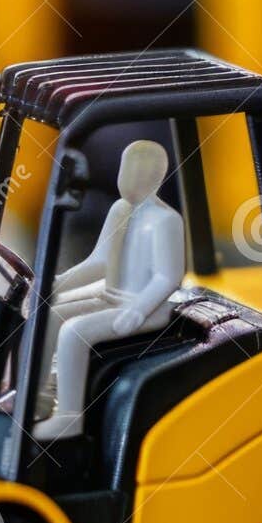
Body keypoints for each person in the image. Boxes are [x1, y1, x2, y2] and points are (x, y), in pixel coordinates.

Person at [31, 138, 186, 443]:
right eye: (126, 170)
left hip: (146, 307)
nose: (128, 179)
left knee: (74, 332)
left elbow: (168, 277)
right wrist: (58, 281)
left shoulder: (166, 220)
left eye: (138, 172)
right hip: (110, 294)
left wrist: (137, 310)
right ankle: (39, 397)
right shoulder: (120, 211)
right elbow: (100, 261)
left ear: (156, 176)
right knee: (50, 314)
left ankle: (69, 419)